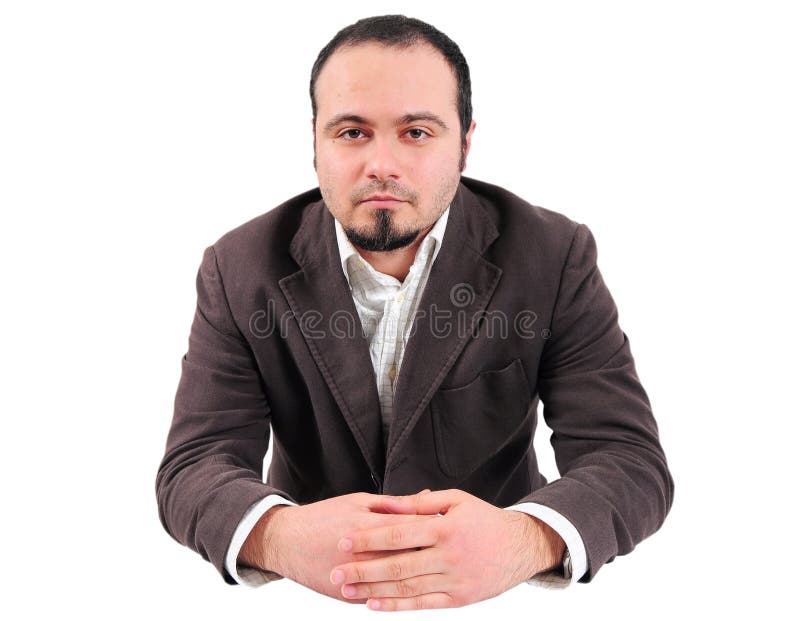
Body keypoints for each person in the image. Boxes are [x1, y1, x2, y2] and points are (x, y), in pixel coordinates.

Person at [155, 14, 674, 611]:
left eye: (417, 132)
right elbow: (193, 466)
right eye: (351, 132)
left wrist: (526, 541)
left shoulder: (555, 257)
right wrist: (279, 536)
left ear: (466, 142)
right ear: (315, 140)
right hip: (307, 599)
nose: (382, 164)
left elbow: (630, 460)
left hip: (503, 600)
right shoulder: (237, 266)